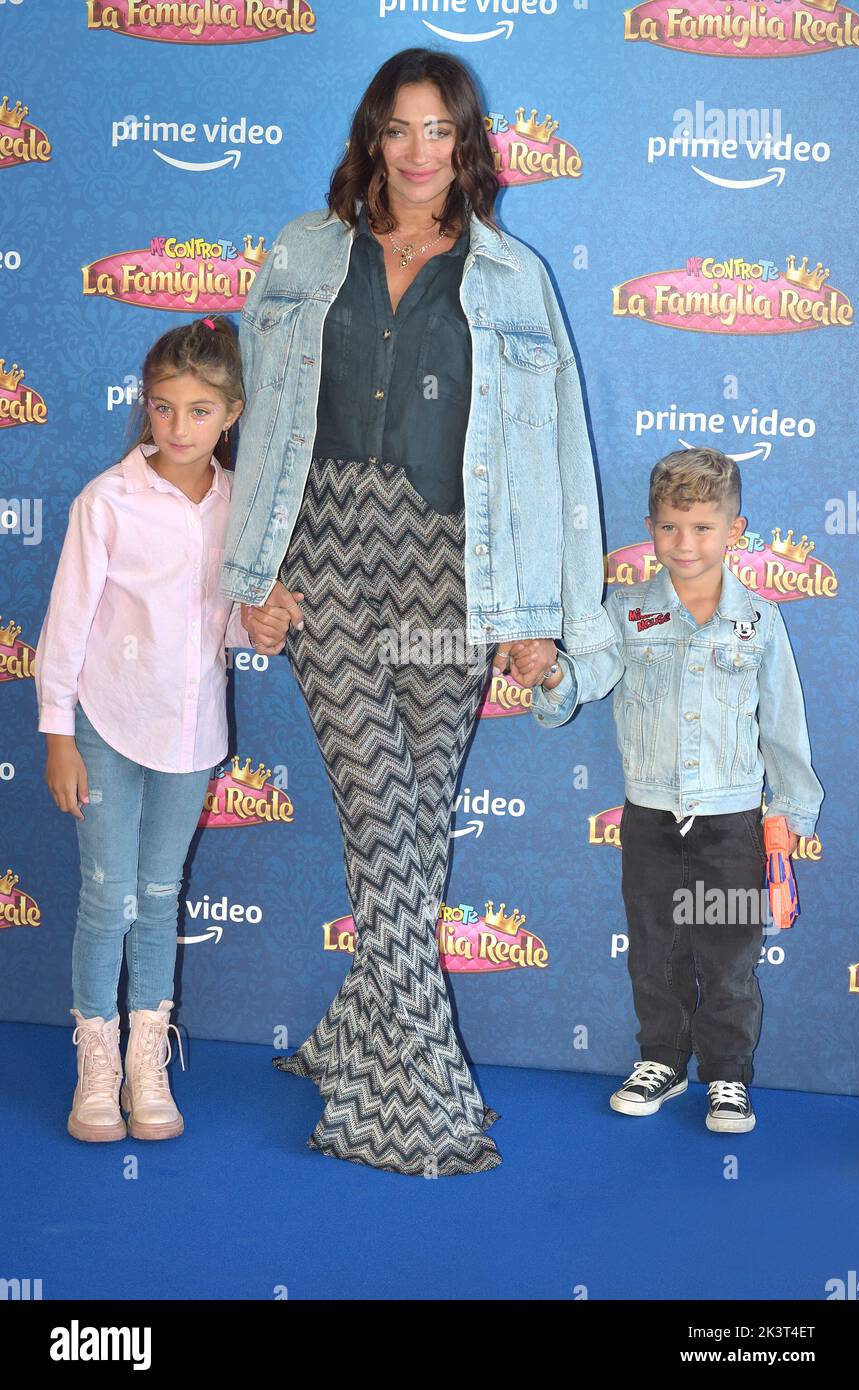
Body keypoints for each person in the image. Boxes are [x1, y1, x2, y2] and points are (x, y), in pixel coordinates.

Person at [223, 48, 615, 1176]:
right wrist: (250, 573)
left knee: (410, 826)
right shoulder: (305, 251)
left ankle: (353, 1037)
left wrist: (536, 615)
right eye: (399, 129)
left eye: (439, 130)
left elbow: (551, 461)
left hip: (455, 570)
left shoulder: (511, 276)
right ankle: (417, 1101)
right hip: (331, 554)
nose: (417, 152)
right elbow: (250, 421)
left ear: (468, 143)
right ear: (370, 137)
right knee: (380, 817)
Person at [34, 317, 291, 1144]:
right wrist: (57, 734)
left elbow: (215, 624)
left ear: (233, 413)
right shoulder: (106, 502)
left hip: (190, 732)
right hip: (107, 721)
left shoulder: (238, 510)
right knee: (106, 895)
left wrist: (262, 624)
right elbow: (66, 627)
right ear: (145, 408)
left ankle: (148, 1057)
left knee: (158, 893)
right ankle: (97, 1065)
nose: (179, 427)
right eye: (164, 408)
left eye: (200, 411)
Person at [517, 448, 823, 1133]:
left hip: (730, 823)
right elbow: (584, 679)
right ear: (650, 528)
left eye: (702, 528)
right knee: (654, 952)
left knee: (726, 959)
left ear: (734, 531)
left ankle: (725, 1078)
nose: (685, 544)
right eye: (670, 527)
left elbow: (781, 725)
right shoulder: (624, 614)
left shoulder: (758, 623)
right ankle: (660, 1060)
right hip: (651, 820)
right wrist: (548, 675)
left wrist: (792, 809)